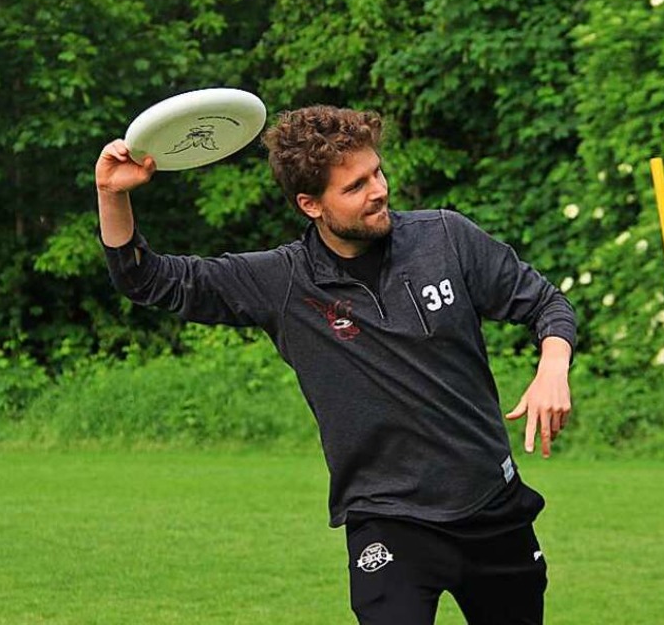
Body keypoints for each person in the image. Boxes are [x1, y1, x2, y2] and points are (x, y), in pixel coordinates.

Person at [95, 105, 576, 625]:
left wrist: (553, 362)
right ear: (310, 204)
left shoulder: (446, 238)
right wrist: (112, 194)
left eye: (376, 172)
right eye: (355, 187)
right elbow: (148, 281)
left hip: (493, 508)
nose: (378, 190)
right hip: (389, 521)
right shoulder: (283, 283)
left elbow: (546, 304)